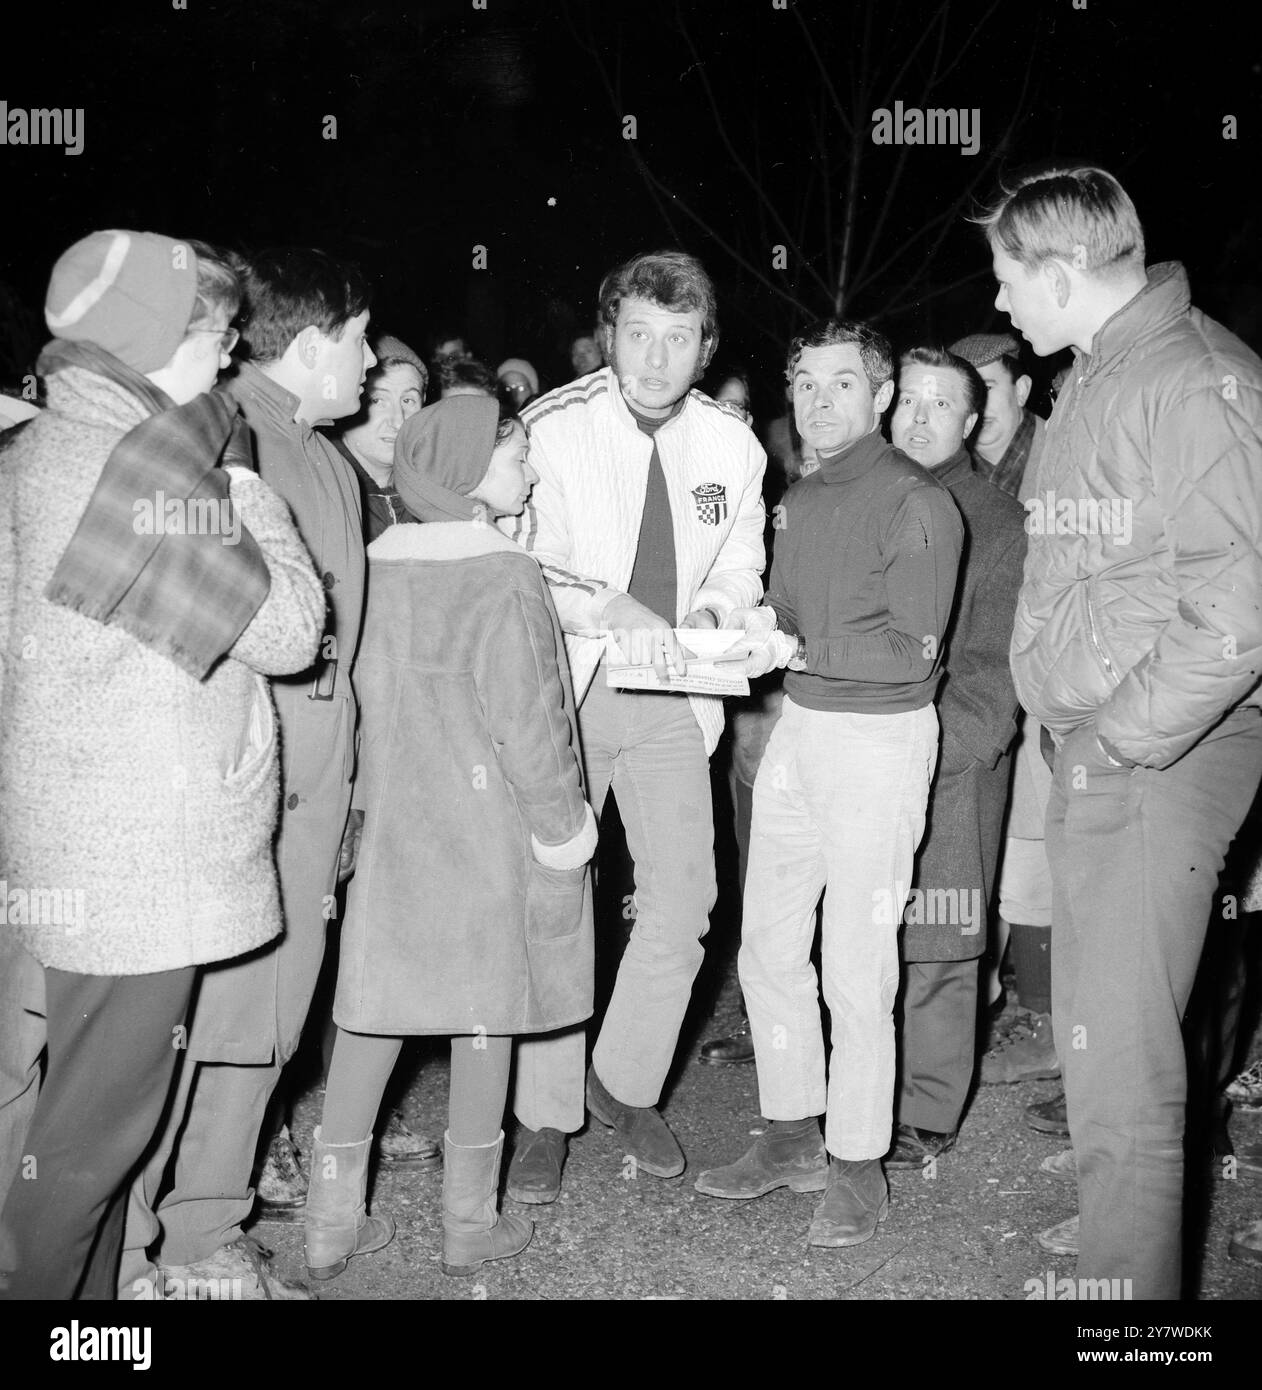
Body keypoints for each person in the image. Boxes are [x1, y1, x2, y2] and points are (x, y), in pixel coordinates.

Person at [0, 230, 324, 1298]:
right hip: (139, 861)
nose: (230, 363)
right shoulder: (142, 470)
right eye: (221, 338)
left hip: (80, 842)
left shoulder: (44, 445)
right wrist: (240, 483)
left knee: (77, 1133)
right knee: (92, 1144)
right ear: (153, 342)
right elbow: (286, 626)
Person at [981, 164, 1262, 1298]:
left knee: (1122, 1078)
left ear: (1057, 274)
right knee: (1104, 1064)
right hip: (1103, 746)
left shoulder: (1191, 379)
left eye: (1005, 282)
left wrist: (1114, 736)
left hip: (1156, 755)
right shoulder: (1102, 373)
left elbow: (1240, 605)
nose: (997, 307)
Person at [118, 247, 376, 1300]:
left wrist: (352, 788)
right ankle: (132, 1256)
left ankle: (203, 1235)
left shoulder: (321, 452)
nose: (367, 367)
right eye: (360, 343)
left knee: (260, 1028)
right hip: (245, 793)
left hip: (313, 796)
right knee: (186, 1034)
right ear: (313, 344)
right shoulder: (227, 439)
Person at [306, 394, 597, 1280]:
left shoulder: (375, 566)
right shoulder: (503, 575)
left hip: (394, 834)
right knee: (484, 1018)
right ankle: (469, 1226)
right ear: (472, 478)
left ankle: (329, 1224)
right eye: (515, 456)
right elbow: (531, 723)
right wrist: (565, 828)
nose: (532, 471)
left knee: (367, 1019)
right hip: (484, 839)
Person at [501, 249, 767, 1202]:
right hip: (572, 689)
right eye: (639, 334)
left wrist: (712, 616)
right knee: (560, 899)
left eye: (680, 338)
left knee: (687, 900)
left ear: (706, 347)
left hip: (673, 695)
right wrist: (613, 608)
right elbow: (526, 562)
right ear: (609, 331)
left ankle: (623, 1081)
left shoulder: (733, 445)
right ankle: (542, 1115)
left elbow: (741, 558)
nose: (656, 359)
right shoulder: (551, 426)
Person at [694, 319, 963, 1249]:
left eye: (841, 384)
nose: (819, 402)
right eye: (805, 384)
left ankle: (858, 1162)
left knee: (857, 960)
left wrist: (796, 645)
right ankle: (789, 1131)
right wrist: (741, 624)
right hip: (803, 729)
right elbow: (794, 611)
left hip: (881, 740)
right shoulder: (804, 495)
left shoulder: (916, 501)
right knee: (766, 942)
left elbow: (913, 650)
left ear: (881, 394)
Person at [251, 330, 437, 1223]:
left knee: (344, 945)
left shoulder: (402, 498)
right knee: (279, 945)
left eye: (414, 399)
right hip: (301, 750)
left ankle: (339, 1116)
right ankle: (268, 1136)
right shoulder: (315, 477)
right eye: (387, 393)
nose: (397, 410)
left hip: (368, 751)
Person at [883, 346, 1027, 1167]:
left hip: (950, 756)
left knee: (938, 932)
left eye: (941, 406)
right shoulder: (865, 495)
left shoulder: (999, 523)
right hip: (863, 750)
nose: (920, 418)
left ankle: (930, 1108)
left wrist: (936, 749)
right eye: (908, 400)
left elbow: (995, 669)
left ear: (972, 423)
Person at [331, 333, 426, 543]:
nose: (398, 420)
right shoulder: (325, 488)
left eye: (408, 400)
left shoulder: (431, 493)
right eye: (378, 400)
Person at [949, 332, 1044, 500]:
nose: (975, 406)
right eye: (964, 394)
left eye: (986, 389)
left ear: (1021, 390)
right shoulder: (945, 474)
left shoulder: (1070, 452)